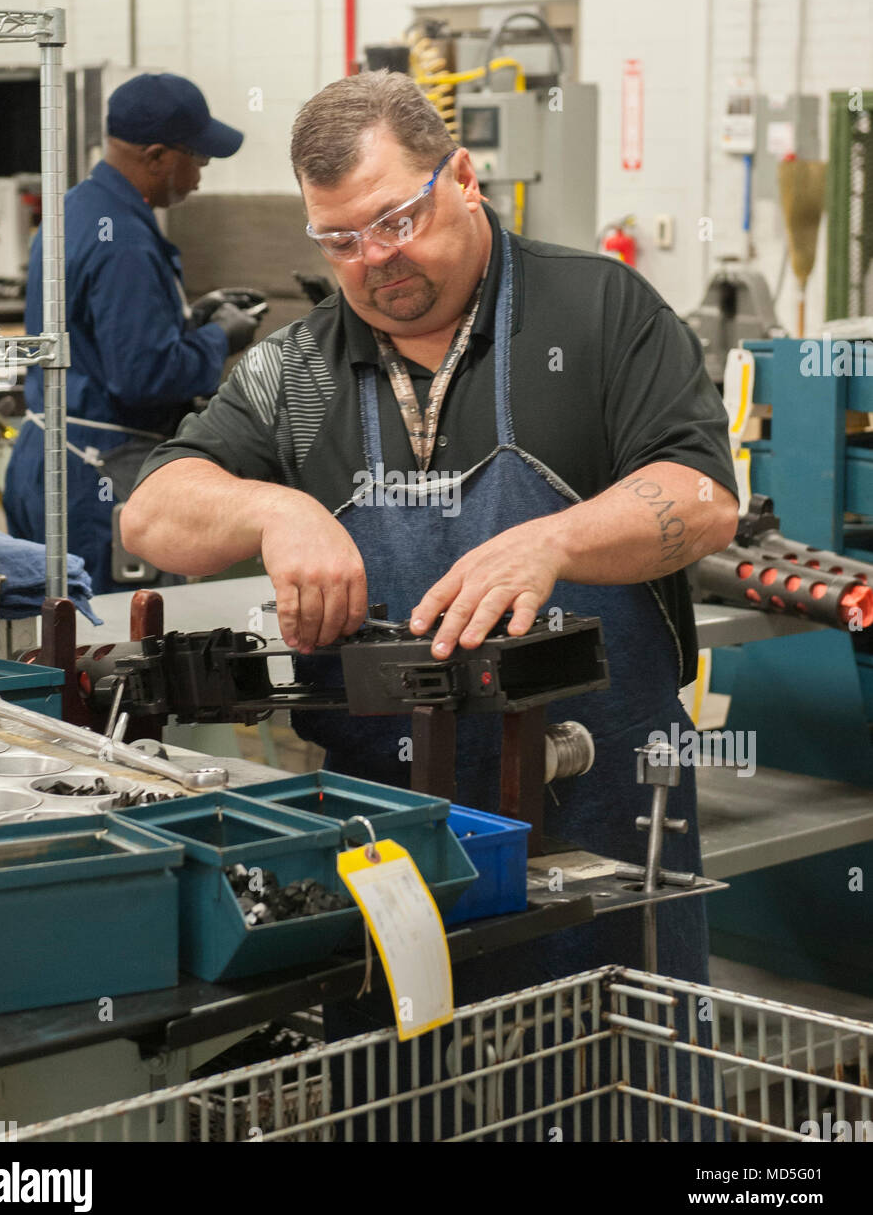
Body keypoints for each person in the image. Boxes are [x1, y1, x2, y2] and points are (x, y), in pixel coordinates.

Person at [122, 70, 738, 1004]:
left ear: (462, 178)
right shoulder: (299, 369)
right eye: (340, 240)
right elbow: (150, 509)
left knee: (620, 1091)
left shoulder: (601, 313)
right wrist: (272, 510)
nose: (374, 258)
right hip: (390, 854)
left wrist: (555, 542)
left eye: (397, 220)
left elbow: (702, 498)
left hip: (604, 834)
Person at [4, 72, 263, 594]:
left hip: (45, 457)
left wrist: (192, 317)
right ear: (157, 156)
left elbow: (102, 338)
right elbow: (142, 376)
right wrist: (221, 339)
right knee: (117, 650)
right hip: (97, 474)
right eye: (199, 158)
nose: (202, 174)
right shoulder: (124, 239)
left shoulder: (78, 208)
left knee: (58, 639)